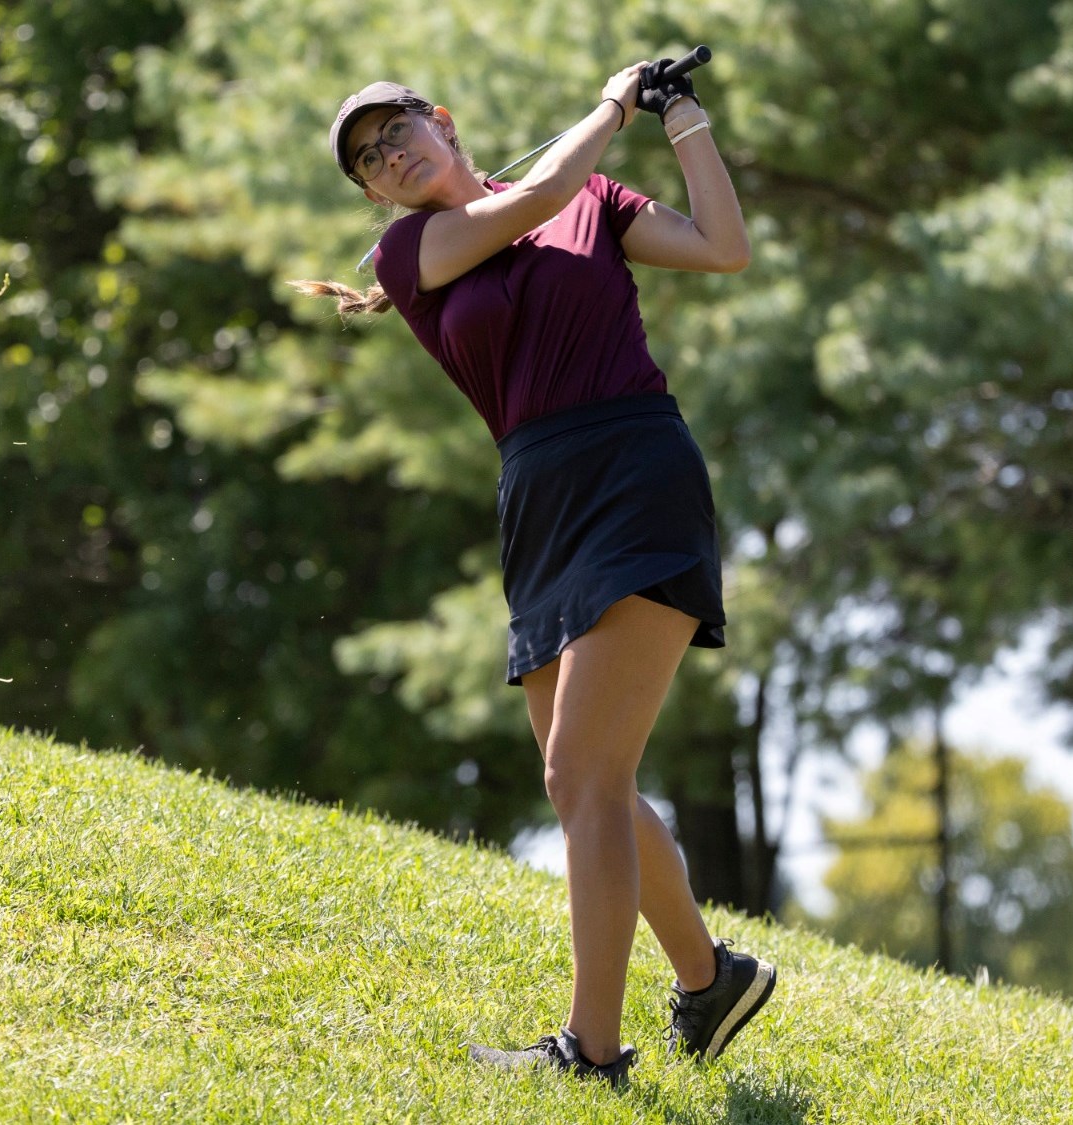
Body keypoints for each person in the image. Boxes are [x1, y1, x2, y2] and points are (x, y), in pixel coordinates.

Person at [301, 60, 777, 1089]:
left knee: (585, 778)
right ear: (377, 196)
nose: (389, 157)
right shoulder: (408, 252)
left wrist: (678, 113)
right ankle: (711, 979)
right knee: (582, 782)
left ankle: (590, 1054)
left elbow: (722, 248)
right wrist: (612, 102)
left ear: (443, 122)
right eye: (370, 160)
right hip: (538, 496)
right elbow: (541, 194)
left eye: (396, 132)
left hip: (635, 468)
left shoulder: (594, 201)